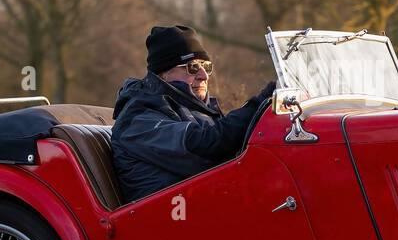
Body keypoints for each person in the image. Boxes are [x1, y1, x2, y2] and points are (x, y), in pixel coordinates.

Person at [111, 24, 276, 202]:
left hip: (203, 208)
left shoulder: (193, 109)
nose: (203, 75)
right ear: (163, 74)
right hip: (165, 221)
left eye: (206, 66)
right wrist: (262, 101)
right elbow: (208, 149)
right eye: (192, 67)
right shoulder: (139, 119)